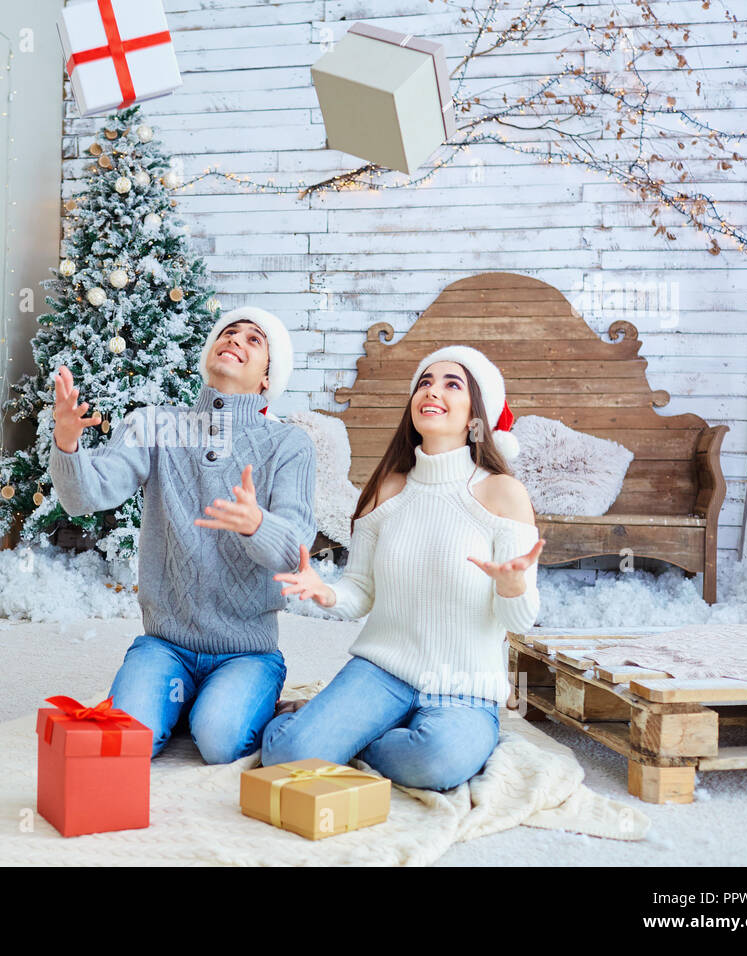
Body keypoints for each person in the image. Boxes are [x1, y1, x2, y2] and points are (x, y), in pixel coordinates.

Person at [263, 345, 544, 791]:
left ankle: (356, 737)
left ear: (478, 411)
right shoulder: (388, 489)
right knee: (286, 755)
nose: (432, 391)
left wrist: (512, 586)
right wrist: (326, 591)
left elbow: (521, 618)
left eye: (452, 384)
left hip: (463, 683)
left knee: (436, 762)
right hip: (383, 670)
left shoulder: (502, 492)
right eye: (425, 382)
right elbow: (360, 592)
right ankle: (336, 727)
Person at [48, 306, 316, 763]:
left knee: (219, 742)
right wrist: (67, 442)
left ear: (269, 377)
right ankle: (186, 698)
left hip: (245, 652)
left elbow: (295, 552)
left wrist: (258, 524)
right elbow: (85, 498)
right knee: (122, 747)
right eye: (228, 332)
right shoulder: (154, 424)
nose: (235, 340)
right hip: (166, 644)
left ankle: (230, 701)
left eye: (254, 340)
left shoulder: (288, 444)